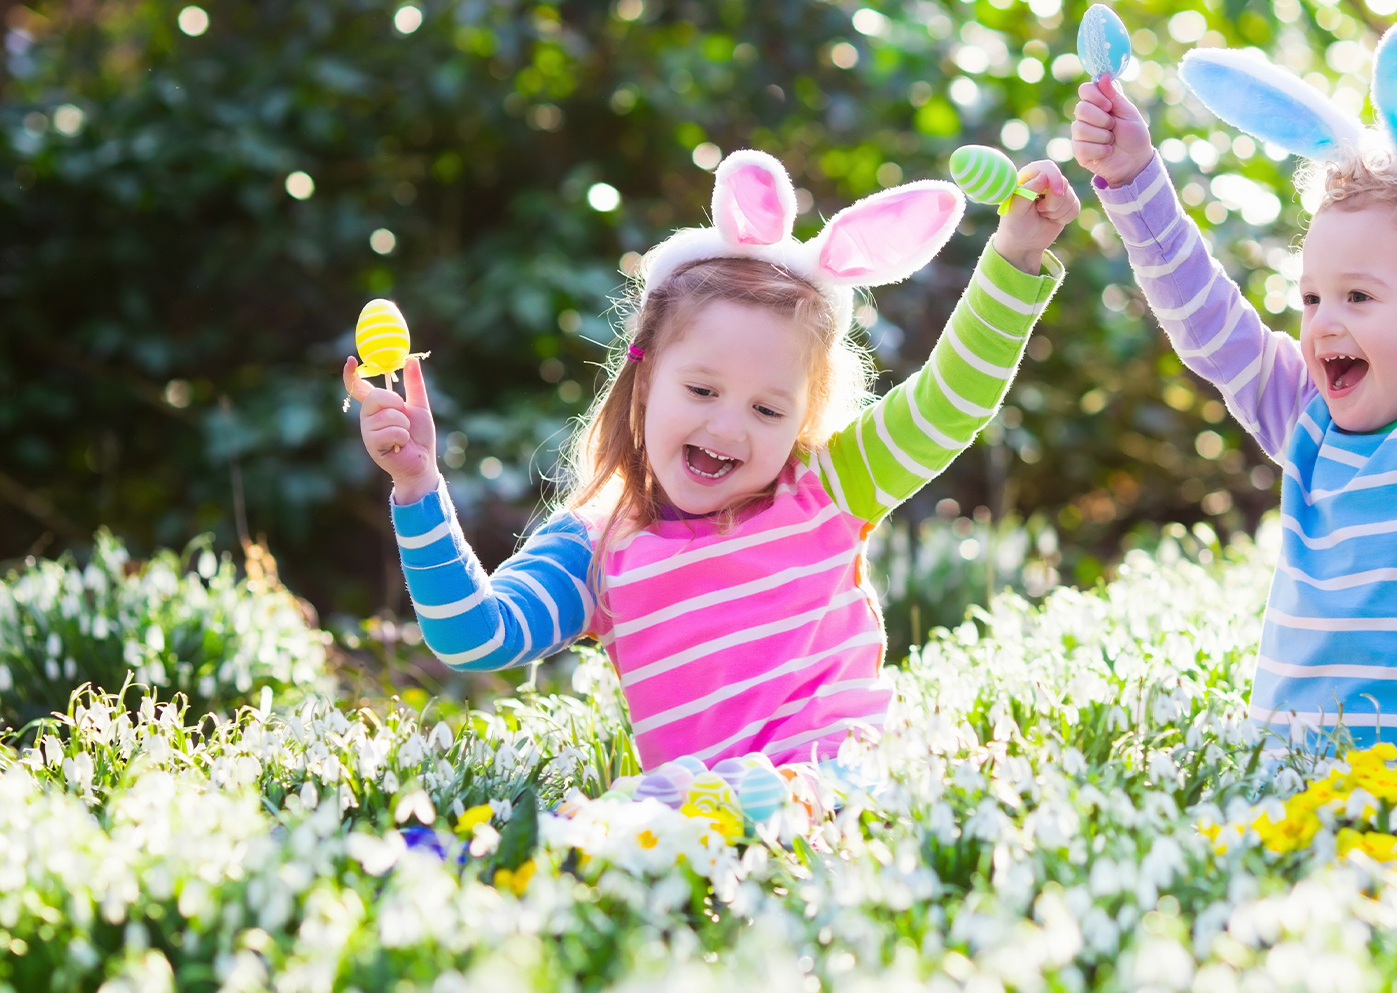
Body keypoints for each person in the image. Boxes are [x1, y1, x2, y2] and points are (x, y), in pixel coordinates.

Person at [344, 149, 1078, 774]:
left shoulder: (827, 487)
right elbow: (476, 638)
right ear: (644, 377)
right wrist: (418, 487)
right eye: (701, 389)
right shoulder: (598, 545)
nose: (728, 426)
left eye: (767, 409)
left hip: (844, 774)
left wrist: (1015, 255)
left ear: (803, 417)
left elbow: (953, 401)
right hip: (703, 812)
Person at [1072, 24, 1397, 759]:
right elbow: (1207, 319)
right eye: (1311, 299)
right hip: (1288, 780)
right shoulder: (1309, 418)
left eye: (1359, 298)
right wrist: (1134, 179)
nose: (1323, 324)